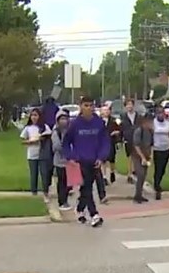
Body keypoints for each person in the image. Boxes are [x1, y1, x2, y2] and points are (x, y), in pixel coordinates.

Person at [62, 96, 111, 227]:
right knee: (87, 188)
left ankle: (79, 209)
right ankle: (94, 214)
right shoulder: (75, 124)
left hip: (94, 161)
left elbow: (105, 142)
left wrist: (101, 157)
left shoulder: (99, 123)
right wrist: (71, 157)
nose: (89, 108)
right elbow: (66, 143)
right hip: (80, 162)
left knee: (86, 188)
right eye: (86, 105)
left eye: (91, 105)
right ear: (81, 107)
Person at [18, 108, 52, 196]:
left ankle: (45, 192)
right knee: (33, 174)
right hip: (32, 154)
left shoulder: (44, 127)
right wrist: (31, 142)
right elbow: (22, 140)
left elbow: (48, 137)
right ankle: (34, 192)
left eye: (36, 115)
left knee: (44, 174)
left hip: (42, 154)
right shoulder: (28, 128)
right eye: (32, 115)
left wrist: (41, 139)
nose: (34, 117)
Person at [151, 107, 169, 199]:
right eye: (159, 113)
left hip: (166, 148)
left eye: (162, 113)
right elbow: (150, 134)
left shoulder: (167, 123)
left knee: (163, 169)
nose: (161, 115)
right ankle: (157, 186)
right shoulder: (153, 123)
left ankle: (158, 182)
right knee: (158, 167)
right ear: (156, 114)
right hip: (157, 148)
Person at [50, 111, 73, 211]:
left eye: (65, 119)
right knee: (62, 182)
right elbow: (56, 147)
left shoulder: (70, 130)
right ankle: (62, 201)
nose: (64, 121)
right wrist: (65, 145)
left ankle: (65, 200)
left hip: (70, 161)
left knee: (69, 183)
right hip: (59, 161)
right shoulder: (56, 132)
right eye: (62, 119)